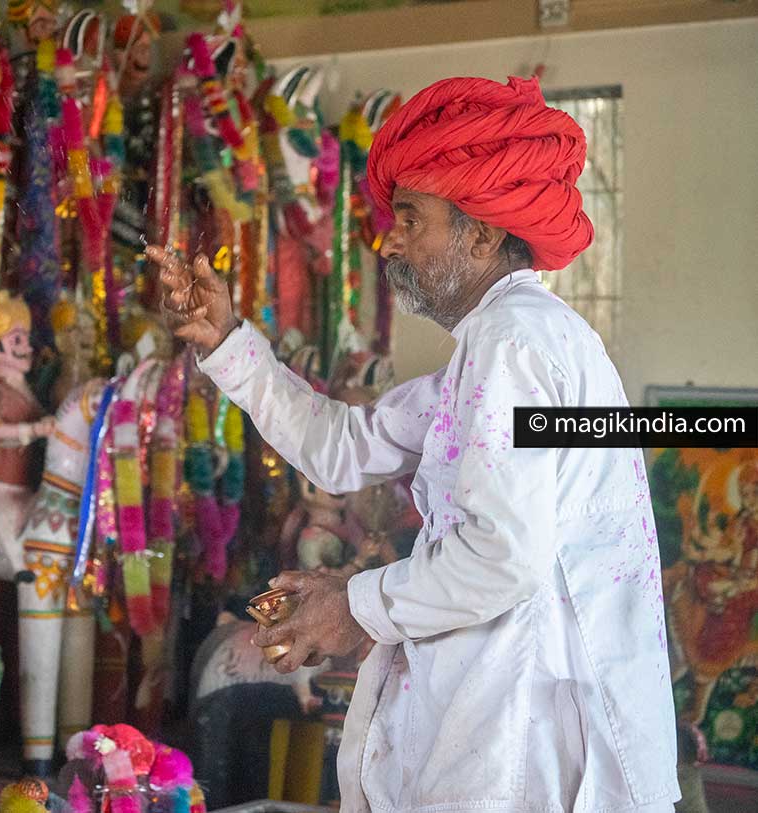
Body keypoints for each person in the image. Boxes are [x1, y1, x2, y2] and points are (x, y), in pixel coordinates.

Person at [148, 75, 678, 812]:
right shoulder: (500, 344)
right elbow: (342, 446)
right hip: (506, 732)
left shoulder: (512, 344)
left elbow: (499, 556)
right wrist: (230, 345)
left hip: (525, 751)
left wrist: (352, 604)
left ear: (483, 232)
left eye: (409, 218)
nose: (386, 239)